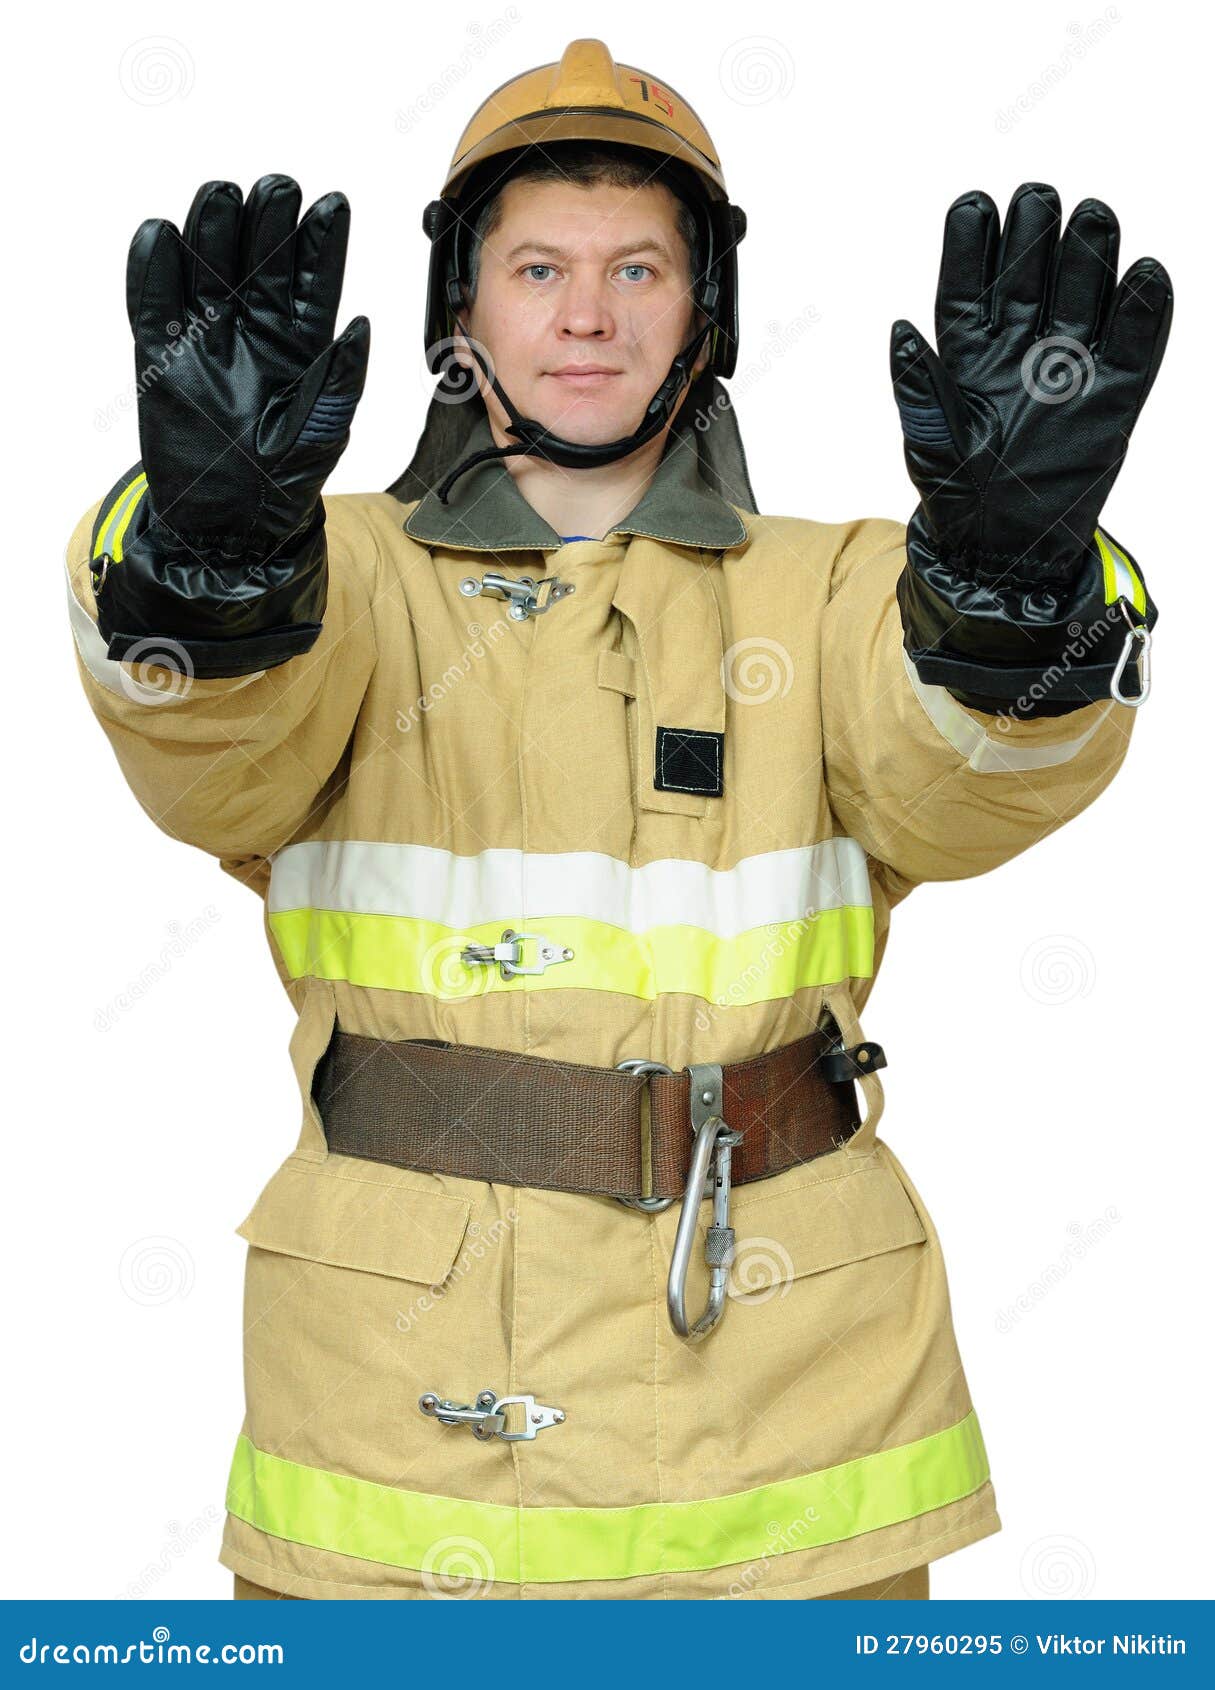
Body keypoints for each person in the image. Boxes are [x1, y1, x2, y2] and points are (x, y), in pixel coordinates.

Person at [64, 38, 1171, 1601]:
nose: (588, 315)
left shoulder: (841, 590)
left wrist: (1008, 597)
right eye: (538, 266)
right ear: (464, 306)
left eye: (639, 267)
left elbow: (964, 787)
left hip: (792, 1450)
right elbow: (213, 762)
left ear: (704, 309)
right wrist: (209, 568)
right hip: (392, 1450)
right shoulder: (340, 580)